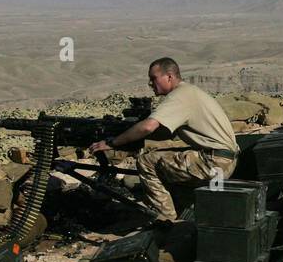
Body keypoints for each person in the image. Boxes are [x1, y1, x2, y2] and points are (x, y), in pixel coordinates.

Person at [88, 57, 239, 224]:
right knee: (161, 157)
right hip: (225, 161)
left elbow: (148, 127)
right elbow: (164, 133)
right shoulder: (190, 92)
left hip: (213, 163)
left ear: (169, 77)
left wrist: (112, 143)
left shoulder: (180, 95)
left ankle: (166, 221)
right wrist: (131, 138)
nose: (150, 83)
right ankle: (184, 212)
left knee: (146, 162)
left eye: (154, 78)